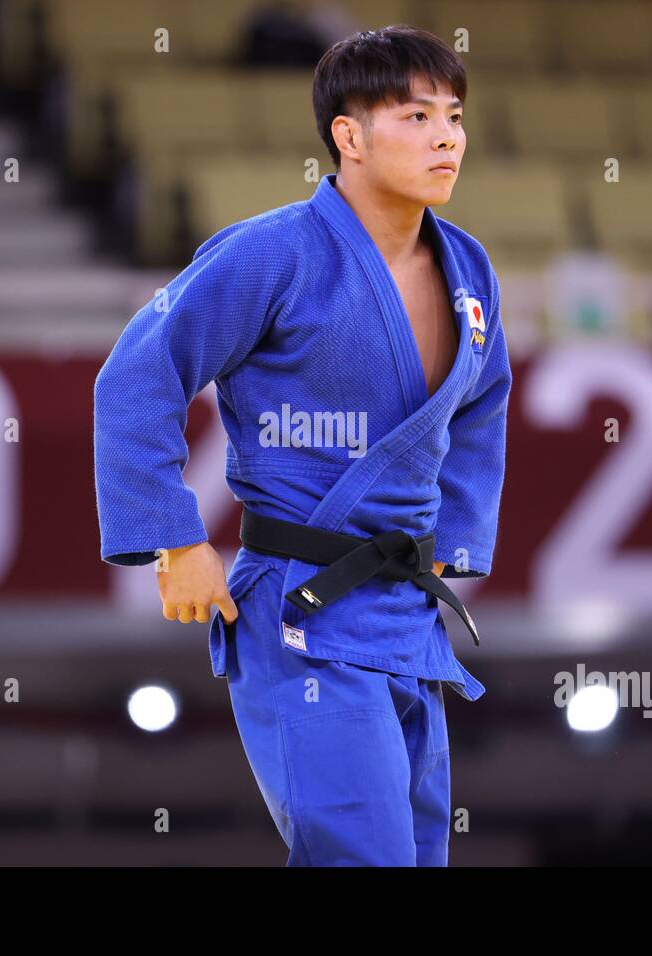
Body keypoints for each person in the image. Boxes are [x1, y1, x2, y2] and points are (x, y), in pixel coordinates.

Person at [94, 25, 511, 866]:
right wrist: (175, 538)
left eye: (455, 117)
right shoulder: (272, 254)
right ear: (348, 137)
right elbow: (136, 378)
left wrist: (458, 543)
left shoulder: (470, 270)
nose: (446, 138)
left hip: (404, 614)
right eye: (416, 115)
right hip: (300, 612)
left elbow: (483, 408)